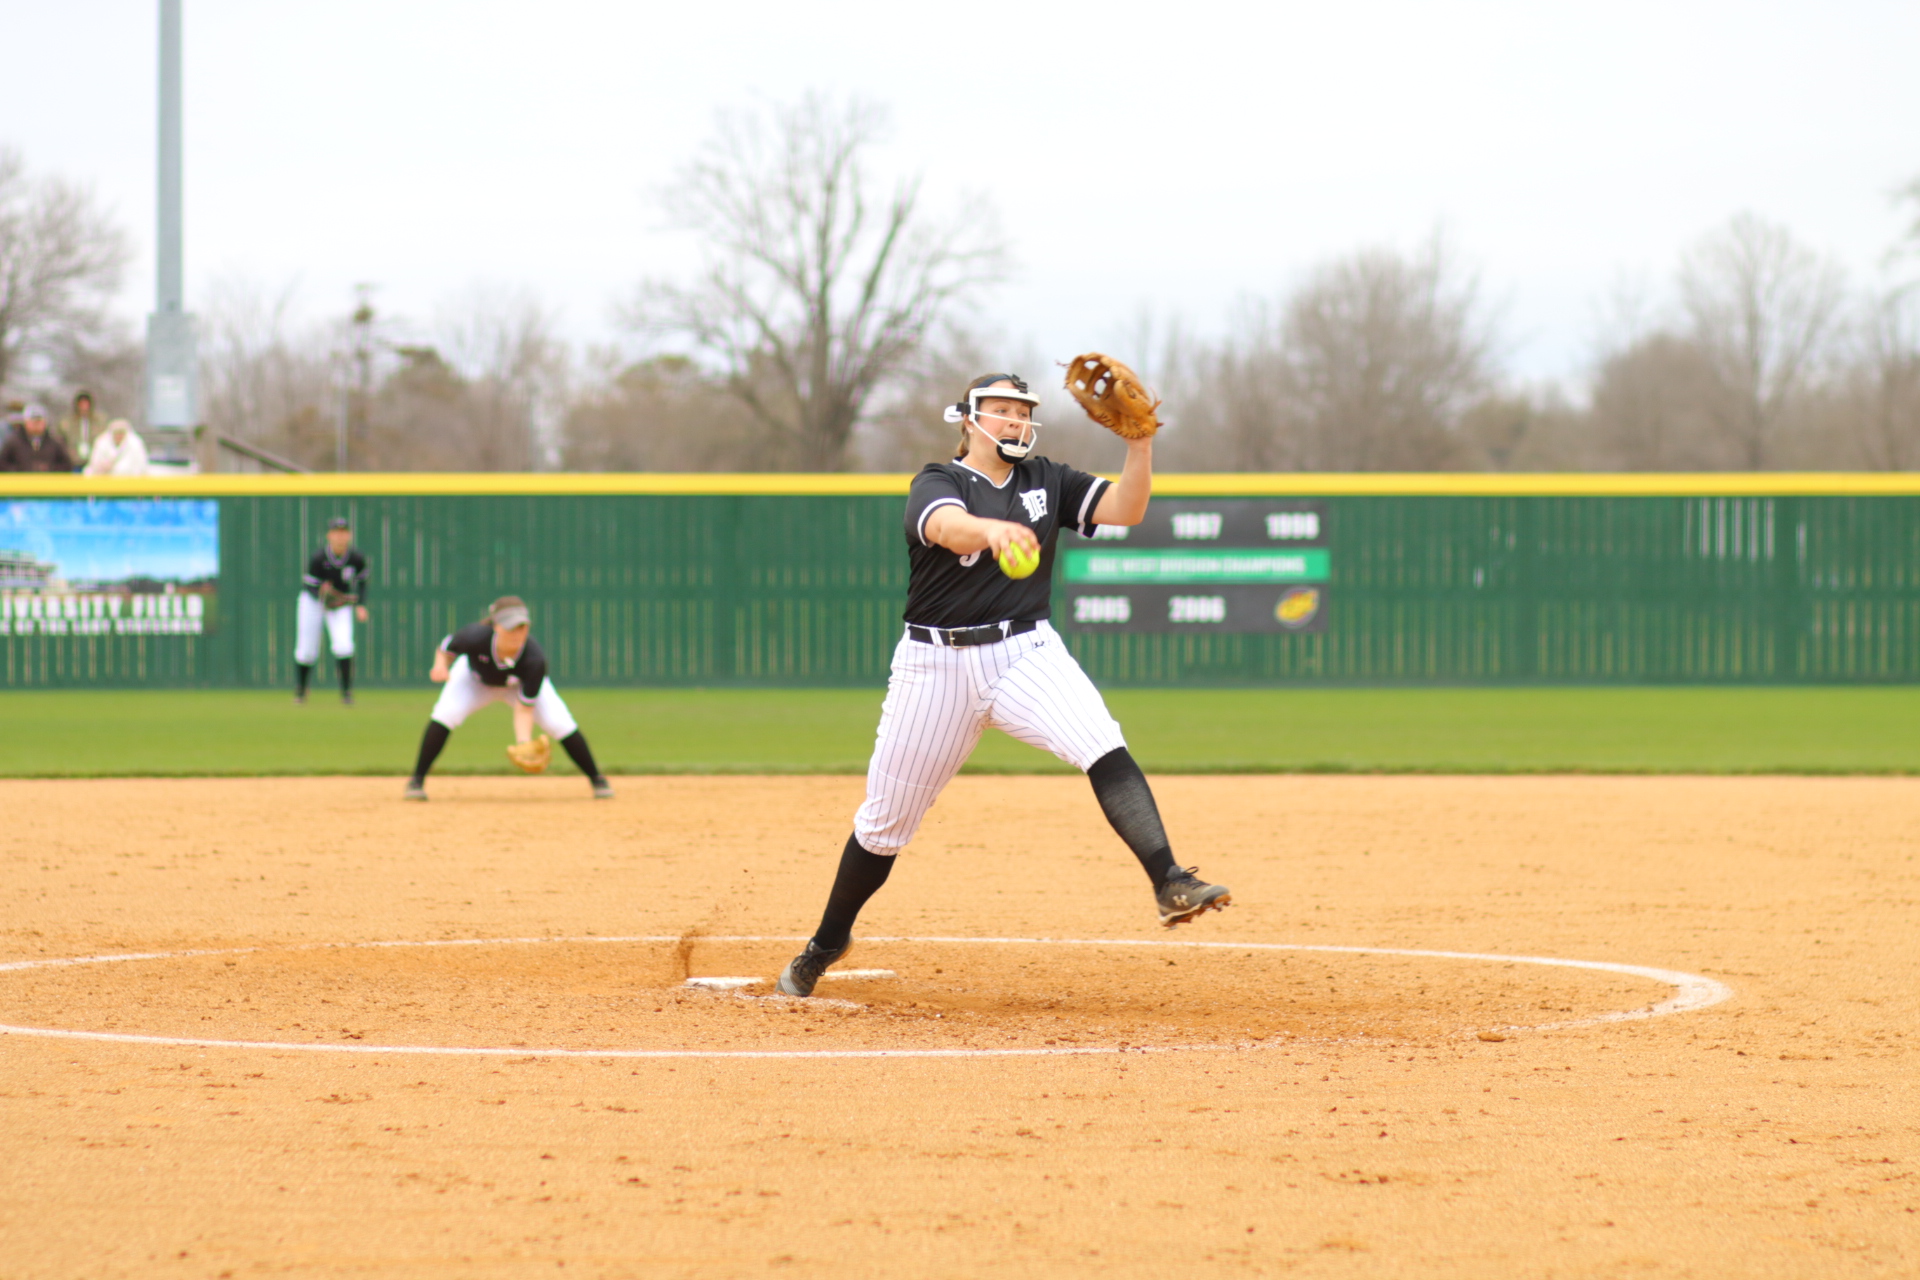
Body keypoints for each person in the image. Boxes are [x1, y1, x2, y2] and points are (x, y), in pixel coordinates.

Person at [773, 373, 1230, 998]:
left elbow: (1128, 508)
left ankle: (1169, 879)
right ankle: (826, 943)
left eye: (1022, 411)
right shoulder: (939, 481)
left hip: (1025, 650)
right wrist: (991, 532)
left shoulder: (1048, 480)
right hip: (934, 667)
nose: (1015, 421)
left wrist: (1142, 446)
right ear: (969, 418)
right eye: (1002, 410)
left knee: (1100, 741)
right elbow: (943, 527)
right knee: (883, 826)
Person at [404, 595, 613, 801]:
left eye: (522, 627)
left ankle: (597, 779)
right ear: (496, 625)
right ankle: (416, 780)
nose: (517, 633)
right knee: (446, 713)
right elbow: (446, 650)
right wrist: (440, 666)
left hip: (516, 686)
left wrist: (523, 742)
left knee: (560, 722)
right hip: (475, 680)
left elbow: (525, 708)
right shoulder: (475, 636)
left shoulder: (534, 659)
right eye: (510, 626)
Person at [295, 517, 370, 704]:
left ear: (350, 535)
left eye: (344, 532)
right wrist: (324, 595)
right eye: (336, 532)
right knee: (306, 649)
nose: (340, 536)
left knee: (344, 645)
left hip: (339, 605)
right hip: (313, 604)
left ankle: (346, 694)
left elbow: (362, 583)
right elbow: (310, 586)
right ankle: (301, 692)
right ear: (329, 535)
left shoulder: (356, 558)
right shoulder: (319, 558)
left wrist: (360, 604)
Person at [0, 404, 76, 472]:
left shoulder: (55, 442)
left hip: (48, 485)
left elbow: (67, 465)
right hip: (20, 485)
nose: (36, 425)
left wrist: (50, 470)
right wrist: (21, 471)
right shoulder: (13, 442)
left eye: (39, 422)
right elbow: (3, 464)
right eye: (33, 422)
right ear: (25, 422)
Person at [82, 419, 149, 477]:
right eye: (116, 433)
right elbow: (94, 464)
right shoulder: (101, 443)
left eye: (121, 433)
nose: (119, 436)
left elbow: (141, 466)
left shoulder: (135, 444)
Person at [61, 392, 101, 469]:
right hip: (72, 463)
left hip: (94, 463)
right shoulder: (66, 423)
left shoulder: (99, 422)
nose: (84, 407)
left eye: (86, 404)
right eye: (81, 404)